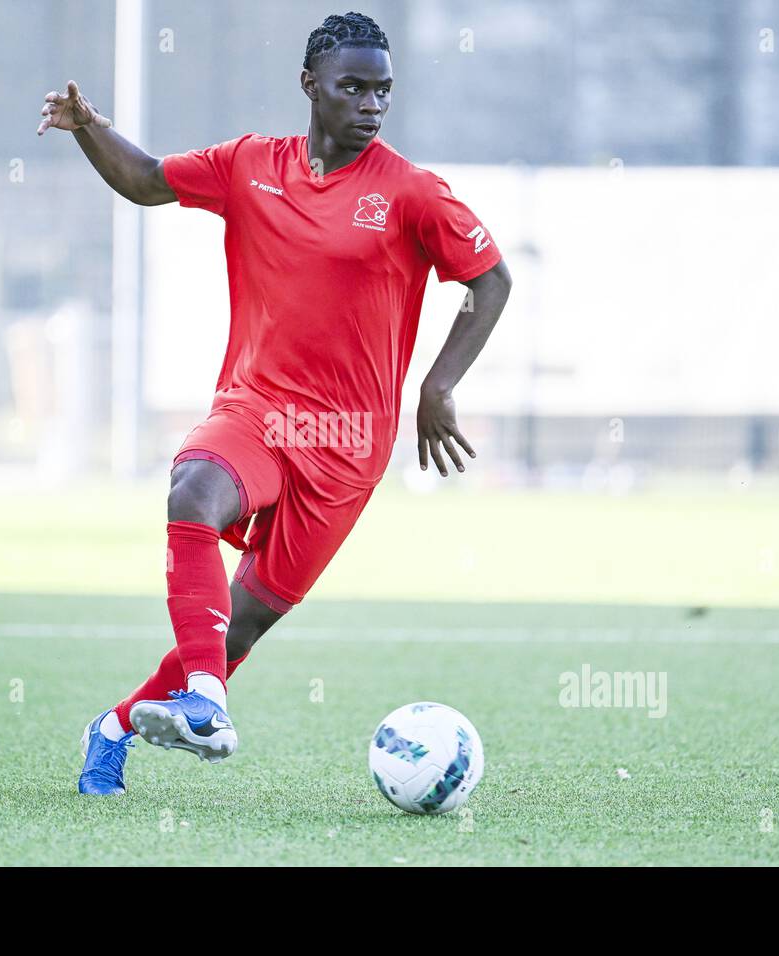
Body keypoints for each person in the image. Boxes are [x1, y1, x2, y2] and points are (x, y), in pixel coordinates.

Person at [38, 11, 513, 795]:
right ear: (310, 87)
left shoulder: (411, 192)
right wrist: (90, 129)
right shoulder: (250, 164)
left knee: (239, 625)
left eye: (383, 91)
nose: (370, 104)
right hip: (256, 410)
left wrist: (438, 384)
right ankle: (206, 705)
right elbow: (148, 180)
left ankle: (114, 727)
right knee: (191, 487)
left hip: (347, 446)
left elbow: (489, 279)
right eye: (353, 87)